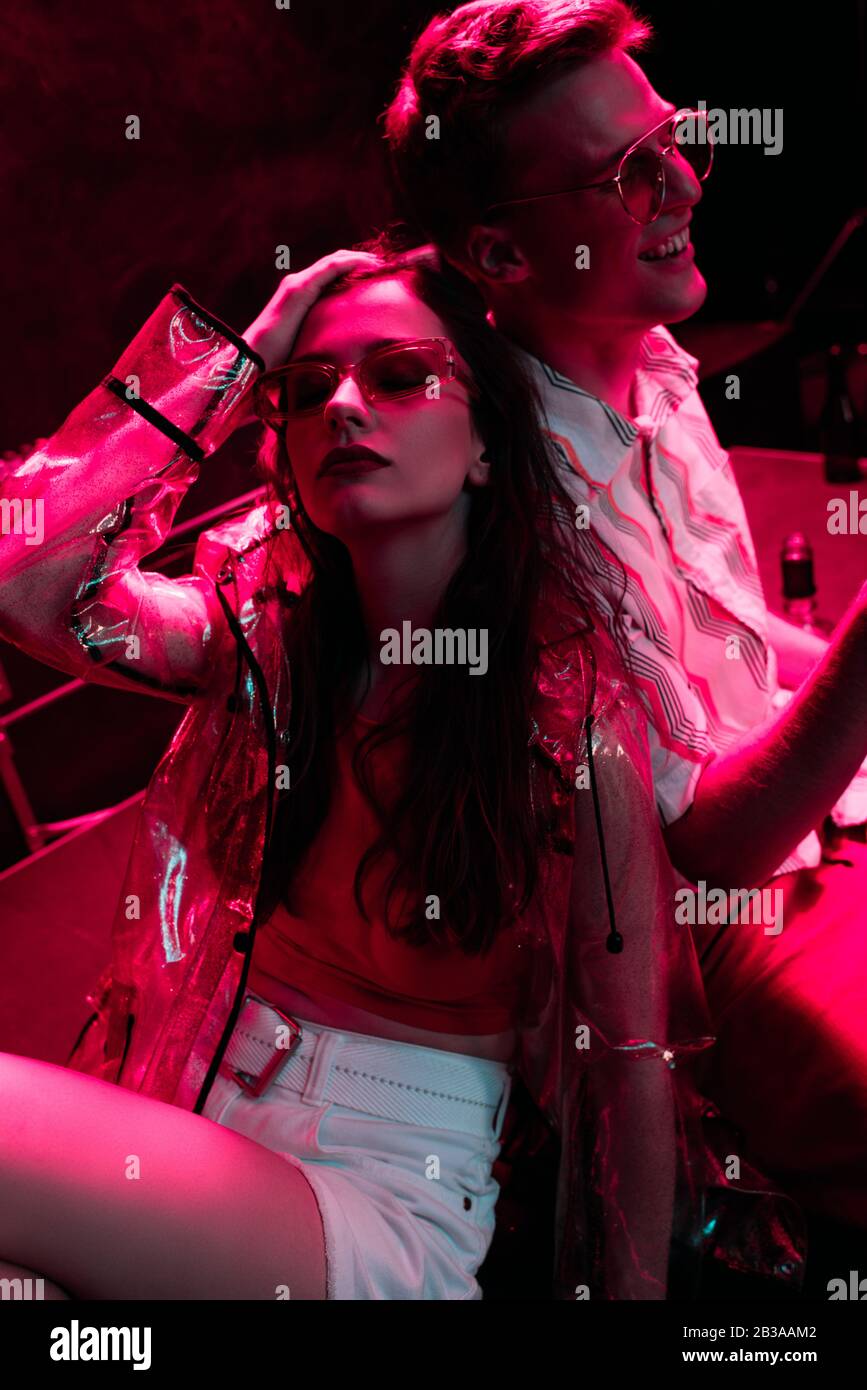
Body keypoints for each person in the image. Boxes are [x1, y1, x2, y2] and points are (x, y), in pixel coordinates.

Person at [0, 245, 802, 1301]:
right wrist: (241, 352)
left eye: (399, 376)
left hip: (375, 1199)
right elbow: (31, 582)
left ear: (484, 445)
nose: (342, 405)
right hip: (191, 1114)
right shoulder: (259, 648)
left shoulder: (569, 723)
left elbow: (629, 1059)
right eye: (304, 387)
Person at [381, 0, 867, 1234]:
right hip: (703, 939)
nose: (687, 183)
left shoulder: (646, 359)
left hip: (808, 842)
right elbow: (711, 845)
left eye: (676, 138)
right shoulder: (509, 498)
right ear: (497, 255)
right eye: (629, 172)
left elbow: (739, 666)